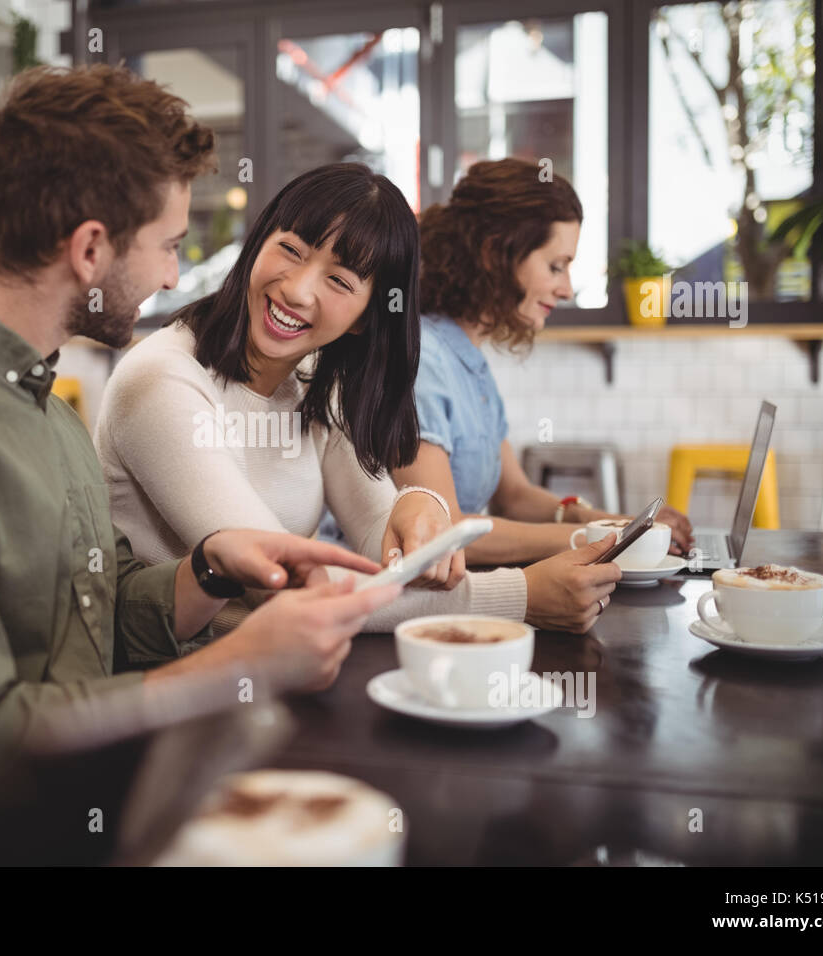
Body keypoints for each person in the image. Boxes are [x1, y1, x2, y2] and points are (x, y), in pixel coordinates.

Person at [0, 66, 401, 810]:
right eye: (167, 246)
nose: (171, 277)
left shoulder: (44, 406)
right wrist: (236, 666)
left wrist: (214, 568)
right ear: (92, 251)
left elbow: (102, 619)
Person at [95, 163, 622, 637]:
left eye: (340, 280)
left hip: (280, 671)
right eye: (291, 250)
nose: (298, 290)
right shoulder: (163, 380)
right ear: (258, 240)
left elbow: (378, 536)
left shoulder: (312, 377)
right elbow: (289, 587)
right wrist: (520, 596)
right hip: (178, 683)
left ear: (368, 316)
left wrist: (423, 504)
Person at [393, 158, 694, 565]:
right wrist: (592, 540)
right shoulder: (422, 360)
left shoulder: (469, 360)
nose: (567, 289)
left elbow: (514, 495)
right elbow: (444, 531)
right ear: (493, 253)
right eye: (556, 266)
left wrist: (617, 524)